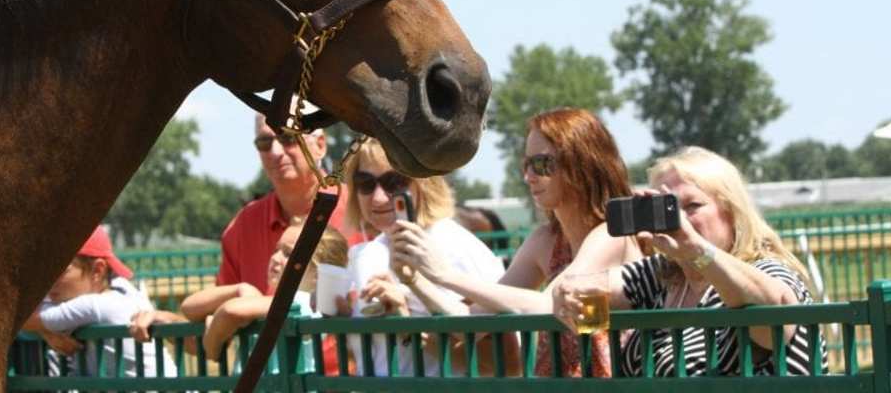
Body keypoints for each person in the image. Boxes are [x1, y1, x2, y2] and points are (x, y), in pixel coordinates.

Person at [392, 107, 640, 377]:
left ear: (580, 165)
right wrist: (416, 280)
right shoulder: (544, 240)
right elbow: (471, 324)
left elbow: (550, 305)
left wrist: (445, 275)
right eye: (526, 165)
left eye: (541, 164)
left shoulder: (611, 234)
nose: (528, 177)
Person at [551, 146, 823, 377]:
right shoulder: (667, 272)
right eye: (669, 208)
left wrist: (697, 250)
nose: (680, 220)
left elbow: (778, 314)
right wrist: (568, 293)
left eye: (692, 206)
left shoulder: (764, 269)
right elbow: (588, 288)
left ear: (732, 211)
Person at [341, 138, 504, 377]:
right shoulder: (370, 250)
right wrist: (337, 313)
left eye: (393, 182)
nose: (377, 198)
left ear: (422, 184)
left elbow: (507, 362)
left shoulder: (452, 243)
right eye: (365, 183)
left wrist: (408, 324)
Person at [215, 114, 356, 293]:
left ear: (320, 145)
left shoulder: (360, 208)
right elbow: (221, 305)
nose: (275, 152)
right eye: (264, 143)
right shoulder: (243, 226)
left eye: (288, 138)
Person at [181, 220, 349, 363]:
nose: (275, 258)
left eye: (288, 254)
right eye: (276, 249)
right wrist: (241, 289)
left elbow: (231, 311)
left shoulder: (308, 304)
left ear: (318, 274)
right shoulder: (270, 303)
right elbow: (188, 308)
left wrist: (211, 347)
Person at [22, 226, 179, 379]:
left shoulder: (96, 305)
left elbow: (21, 318)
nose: (46, 281)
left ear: (97, 271)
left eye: (59, 269)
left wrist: (42, 327)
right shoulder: (123, 292)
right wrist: (45, 329)